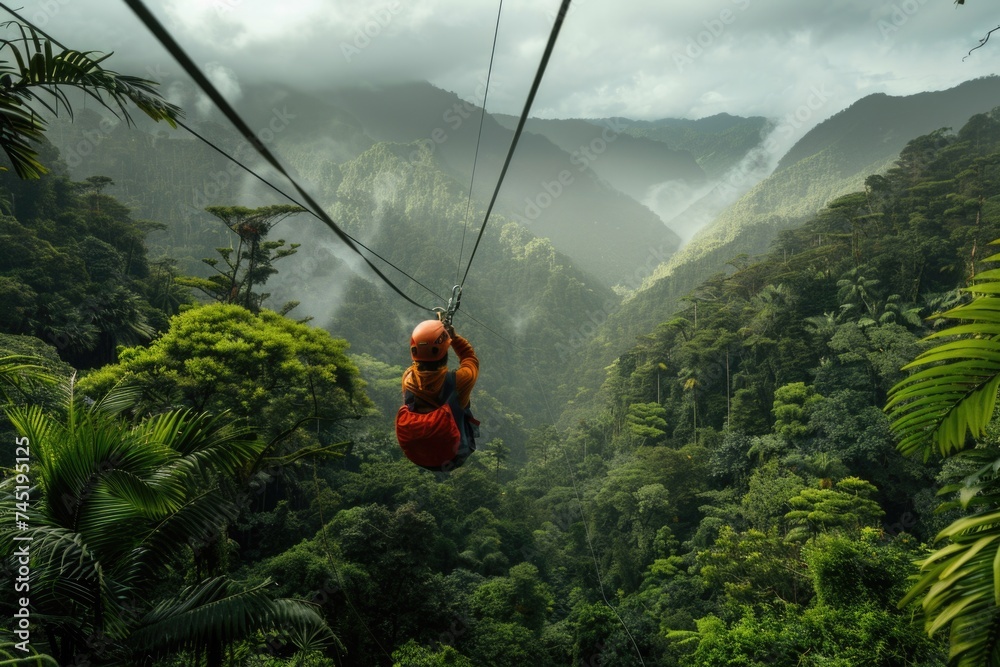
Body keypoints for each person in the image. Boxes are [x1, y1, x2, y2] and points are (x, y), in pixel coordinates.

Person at [396, 318, 479, 470]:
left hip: (420, 456)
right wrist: (453, 338)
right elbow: (470, 359)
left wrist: (434, 338)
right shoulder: (459, 381)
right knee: (462, 406)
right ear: (444, 353)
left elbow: (418, 366)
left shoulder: (408, 378)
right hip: (454, 456)